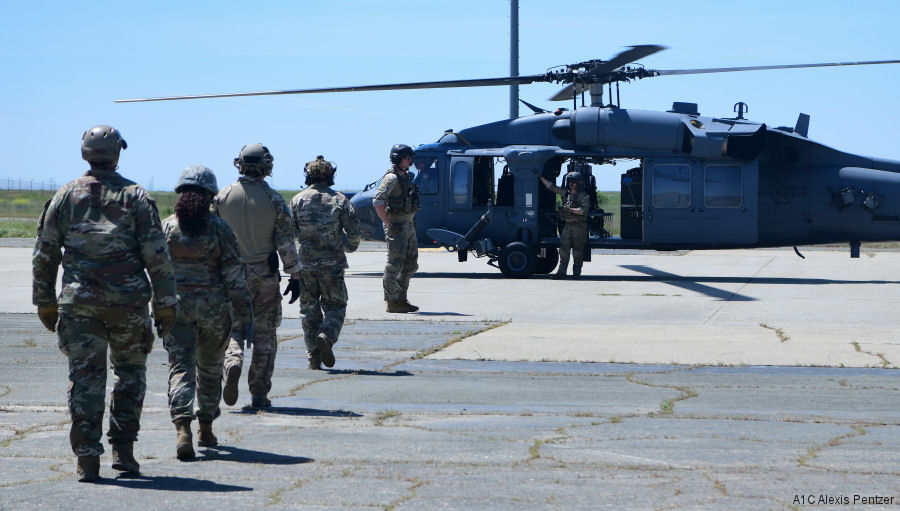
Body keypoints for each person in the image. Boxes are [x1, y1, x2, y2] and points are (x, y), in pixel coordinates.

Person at [32, 125, 177, 482]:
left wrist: (45, 301)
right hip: (128, 305)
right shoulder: (136, 196)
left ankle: (87, 458)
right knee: (129, 376)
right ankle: (123, 452)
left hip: (80, 305)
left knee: (85, 379)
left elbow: (45, 252)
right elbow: (157, 255)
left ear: (85, 153)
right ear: (117, 154)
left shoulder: (65, 195)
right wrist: (165, 302)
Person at [162, 165, 253, 460]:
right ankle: (205, 428)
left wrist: (158, 306)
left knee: (180, 368)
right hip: (214, 312)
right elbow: (235, 277)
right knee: (211, 370)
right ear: (211, 195)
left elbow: (156, 270)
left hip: (177, 311)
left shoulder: (167, 227)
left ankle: (182, 429)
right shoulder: (221, 229)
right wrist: (244, 313)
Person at [213, 144, 301, 409]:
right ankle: (259, 393)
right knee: (265, 334)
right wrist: (295, 274)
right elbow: (285, 242)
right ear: (267, 165)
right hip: (263, 275)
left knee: (232, 328)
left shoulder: (222, 196)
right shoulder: (274, 200)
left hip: (229, 274)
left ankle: (232, 361)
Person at [287, 156, 360, 370]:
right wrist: (349, 246)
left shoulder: (297, 200)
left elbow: (289, 233)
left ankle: (313, 358)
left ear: (308, 176)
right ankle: (327, 335)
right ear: (330, 176)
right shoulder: (339, 200)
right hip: (332, 265)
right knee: (336, 306)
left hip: (306, 265)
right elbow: (353, 232)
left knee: (309, 312)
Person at [373, 144, 420, 313]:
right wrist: (387, 223)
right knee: (394, 264)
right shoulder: (391, 178)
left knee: (411, 264)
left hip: (408, 225)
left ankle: (401, 298)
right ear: (397, 158)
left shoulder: (405, 176)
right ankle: (392, 301)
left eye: (410, 157)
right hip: (397, 226)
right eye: (406, 157)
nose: (410, 160)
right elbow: (378, 201)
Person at [540, 172, 592, 279]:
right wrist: (540, 177)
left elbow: (583, 210)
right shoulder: (566, 193)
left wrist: (570, 210)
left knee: (577, 252)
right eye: (570, 182)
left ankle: (576, 273)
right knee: (563, 250)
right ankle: (561, 273)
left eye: (573, 182)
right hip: (568, 225)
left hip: (579, 227)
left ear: (579, 183)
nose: (571, 184)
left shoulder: (584, 196)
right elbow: (552, 187)